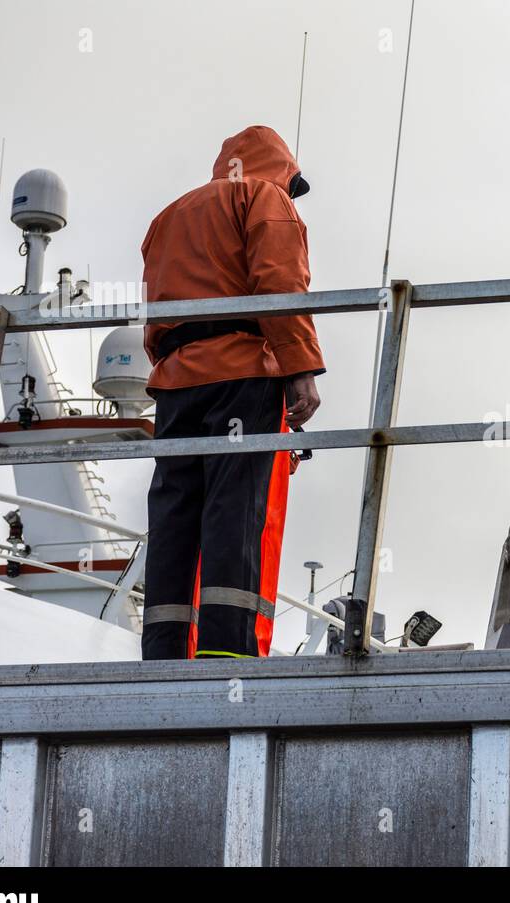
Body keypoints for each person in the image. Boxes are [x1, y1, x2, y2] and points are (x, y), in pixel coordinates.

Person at [139, 125, 323, 660]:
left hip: (175, 380)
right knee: (234, 507)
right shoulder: (264, 199)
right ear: (281, 171)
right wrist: (300, 366)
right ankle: (228, 652)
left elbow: (157, 309)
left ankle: (164, 652)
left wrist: (172, 366)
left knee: (174, 513)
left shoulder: (167, 217)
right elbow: (280, 283)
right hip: (241, 372)